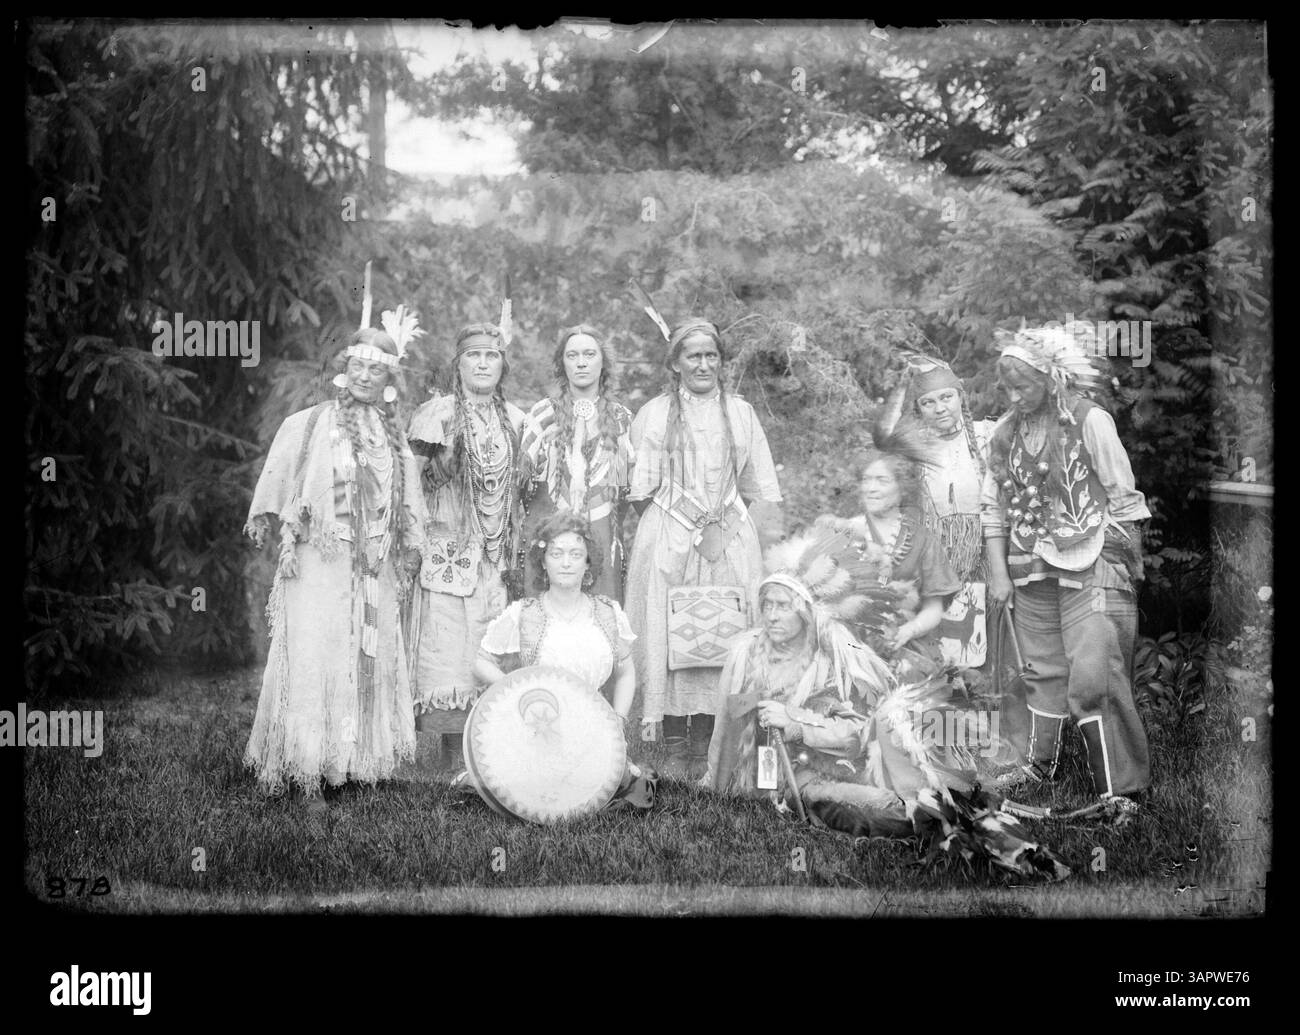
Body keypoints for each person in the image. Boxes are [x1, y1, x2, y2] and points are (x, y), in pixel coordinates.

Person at [704, 527, 1070, 878]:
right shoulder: (747, 653)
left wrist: (796, 721)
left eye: (782, 606)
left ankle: (981, 834)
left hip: (844, 760)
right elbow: (726, 726)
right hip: (795, 778)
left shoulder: (830, 658)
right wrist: (718, 781)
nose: (771, 615)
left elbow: (857, 732)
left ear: (804, 611)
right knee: (837, 800)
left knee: (903, 797)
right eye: (766, 605)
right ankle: (947, 824)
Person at [243, 326, 426, 807]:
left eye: (377, 369)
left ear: (390, 377)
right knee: (316, 656)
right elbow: (281, 478)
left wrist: (407, 546)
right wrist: (267, 517)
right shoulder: (309, 423)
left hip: (373, 566)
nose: (366, 377)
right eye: (358, 366)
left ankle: (349, 763)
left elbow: (408, 504)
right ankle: (305, 768)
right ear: (344, 370)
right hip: (320, 561)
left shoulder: (393, 436)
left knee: (365, 656)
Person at [982, 322, 1151, 807]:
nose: (1014, 397)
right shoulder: (1003, 433)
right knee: (1040, 671)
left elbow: (1124, 499)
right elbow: (992, 509)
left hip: (1091, 561)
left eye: (1024, 386)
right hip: (1029, 569)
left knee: (1094, 676)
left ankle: (1121, 792)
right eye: (1008, 388)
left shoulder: (1090, 421)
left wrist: (1121, 563)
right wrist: (997, 572)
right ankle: (1038, 767)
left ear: (1053, 378)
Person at [624, 318, 783, 780]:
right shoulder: (653, 414)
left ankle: (708, 739)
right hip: (670, 537)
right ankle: (675, 741)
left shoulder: (741, 412)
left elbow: (753, 483)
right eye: (692, 355)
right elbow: (641, 491)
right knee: (670, 631)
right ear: (675, 363)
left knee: (724, 632)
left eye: (711, 355)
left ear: (721, 361)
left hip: (730, 538)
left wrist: (720, 523)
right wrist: (680, 530)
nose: (703, 363)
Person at [473, 511, 654, 807]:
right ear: (543, 562)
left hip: (592, 729)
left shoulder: (608, 613)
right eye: (556, 554)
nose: (566, 563)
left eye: (575, 554)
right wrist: (519, 688)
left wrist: (617, 721)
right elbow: (481, 662)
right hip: (541, 727)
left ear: (587, 563)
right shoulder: (524, 613)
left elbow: (626, 673)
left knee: (622, 789)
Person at [407, 322, 526, 757]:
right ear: (458, 365)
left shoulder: (515, 419)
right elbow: (411, 482)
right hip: (448, 551)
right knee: (450, 647)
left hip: (496, 555)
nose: (482, 363)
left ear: (502, 365)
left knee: (489, 643)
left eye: (491, 355)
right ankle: (453, 755)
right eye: (473, 355)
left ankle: (489, 747)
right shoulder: (435, 413)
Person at [876, 354, 994, 668]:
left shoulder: (987, 435)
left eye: (946, 397)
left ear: (961, 397)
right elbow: (884, 436)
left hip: (986, 553)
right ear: (918, 408)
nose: (940, 408)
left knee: (987, 640)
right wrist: (903, 385)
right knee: (944, 644)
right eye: (928, 402)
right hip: (938, 559)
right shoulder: (917, 446)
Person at [519, 325, 635, 600]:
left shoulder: (621, 419)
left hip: (602, 536)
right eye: (572, 355)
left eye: (589, 354)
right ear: (562, 363)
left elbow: (625, 492)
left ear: (603, 362)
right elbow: (522, 488)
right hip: (549, 539)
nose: (581, 362)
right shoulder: (542, 414)